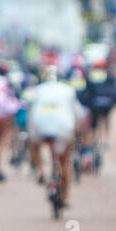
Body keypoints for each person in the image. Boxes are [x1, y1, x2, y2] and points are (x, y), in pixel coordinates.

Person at [25, 65, 86, 205]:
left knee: (34, 145)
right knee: (64, 161)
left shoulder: (38, 90)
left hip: (40, 127)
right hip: (63, 128)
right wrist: (78, 130)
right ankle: (65, 196)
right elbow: (79, 114)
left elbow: (30, 112)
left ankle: (40, 170)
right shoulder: (69, 90)